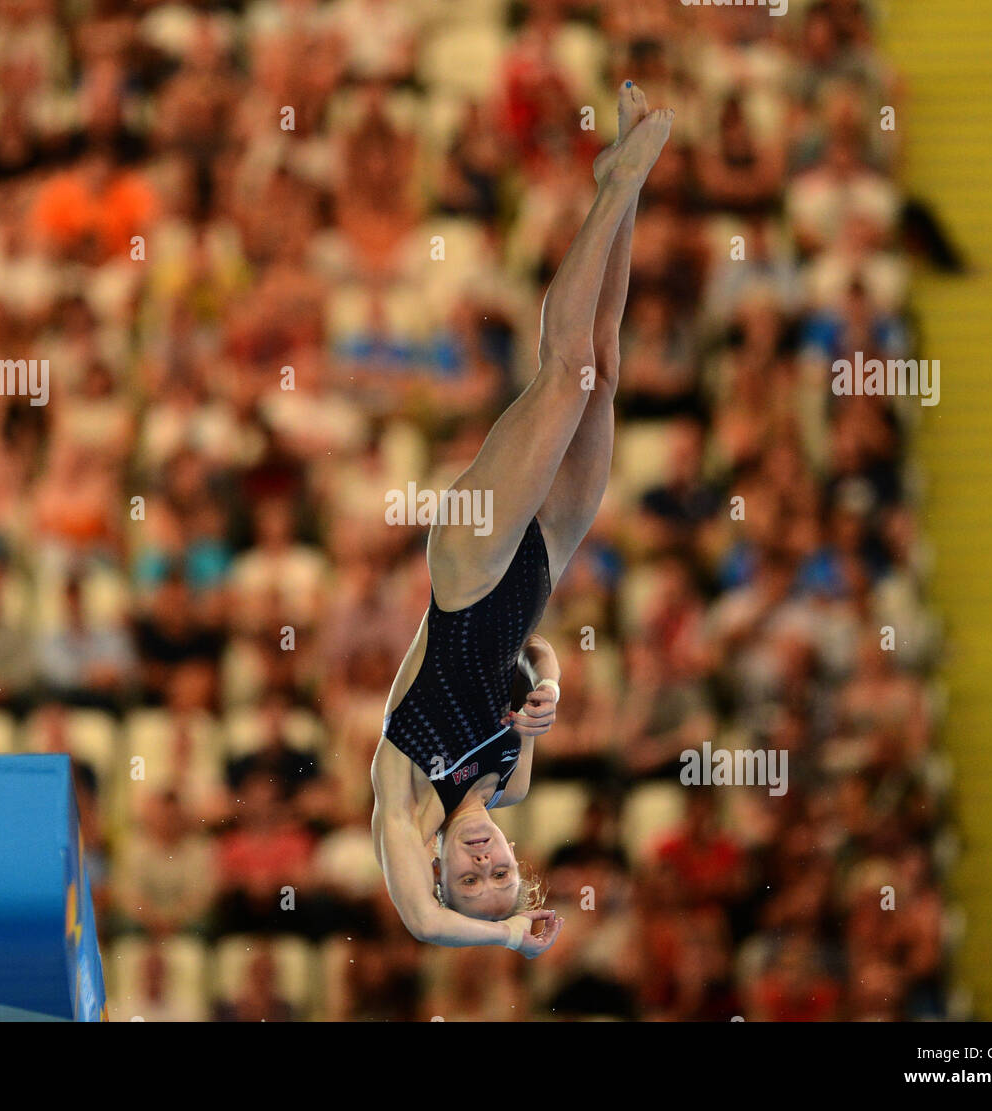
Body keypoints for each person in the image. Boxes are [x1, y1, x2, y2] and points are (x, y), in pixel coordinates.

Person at [370, 84, 674, 956]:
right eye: (500, 873)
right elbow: (532, 660)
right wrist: (549, 684)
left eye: (468, 879)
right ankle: (631, 178)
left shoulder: (409, 802)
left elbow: (425, 926)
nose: (482, 865)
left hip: (468, 571)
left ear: (439, 870)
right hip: (540, 570)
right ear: (514, 858)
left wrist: (501, 938)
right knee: (607, 372)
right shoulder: (513, 780)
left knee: (564, 373)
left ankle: (615, 181)